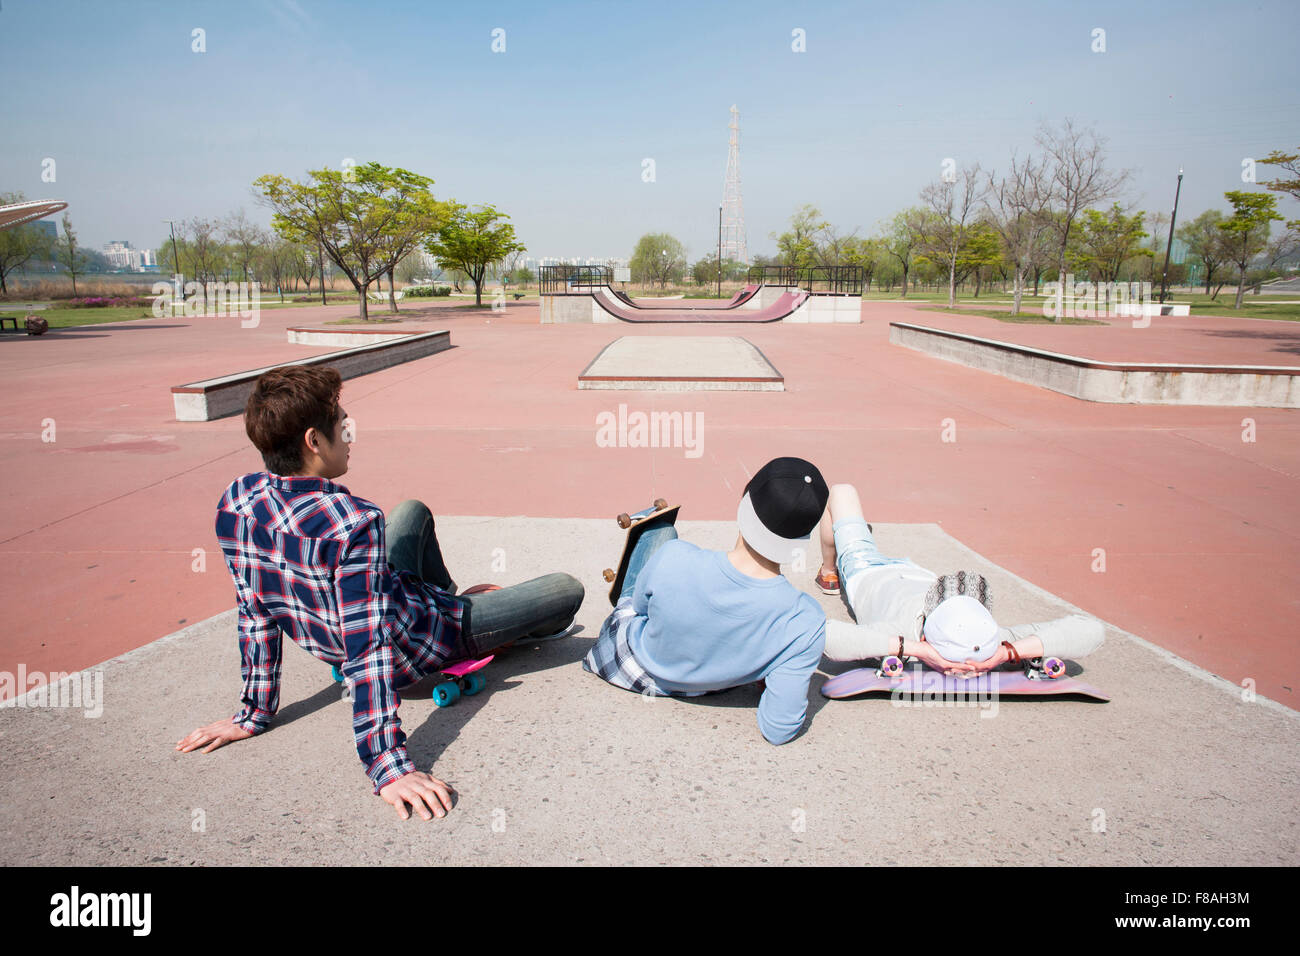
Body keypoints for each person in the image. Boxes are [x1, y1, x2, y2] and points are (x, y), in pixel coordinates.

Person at [176, 366, 584, 821]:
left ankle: (454, 599)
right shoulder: (354, 522)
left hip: (383, 606)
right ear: (314, 441)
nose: (351, 436)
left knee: (412, 511)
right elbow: (369, 648)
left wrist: (253, 713)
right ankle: (482, 624)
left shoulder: (237, 499)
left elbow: (254, 613)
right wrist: (388, 765)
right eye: (342, 426)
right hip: (423, 642)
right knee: (568, 589)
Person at [584, 457, 829, 744]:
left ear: (744, 500)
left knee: (659, 532)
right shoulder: (805, 621)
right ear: (804, 536)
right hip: (710, 686)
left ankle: (646, 529)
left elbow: (638, 610)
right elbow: (778, 730)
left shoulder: (674, 556)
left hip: (629, 663)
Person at [814, 483, 1103, 672]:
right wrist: (1004, 652)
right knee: (842, 494)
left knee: (842, 492)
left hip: (871, 569)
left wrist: (917, 651)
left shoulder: (911, 632)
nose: (963, 669)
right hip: (899, 572)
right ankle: (832, 564)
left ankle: (831, 570)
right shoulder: (985, 638)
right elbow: (1090, 630)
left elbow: (821, 635)